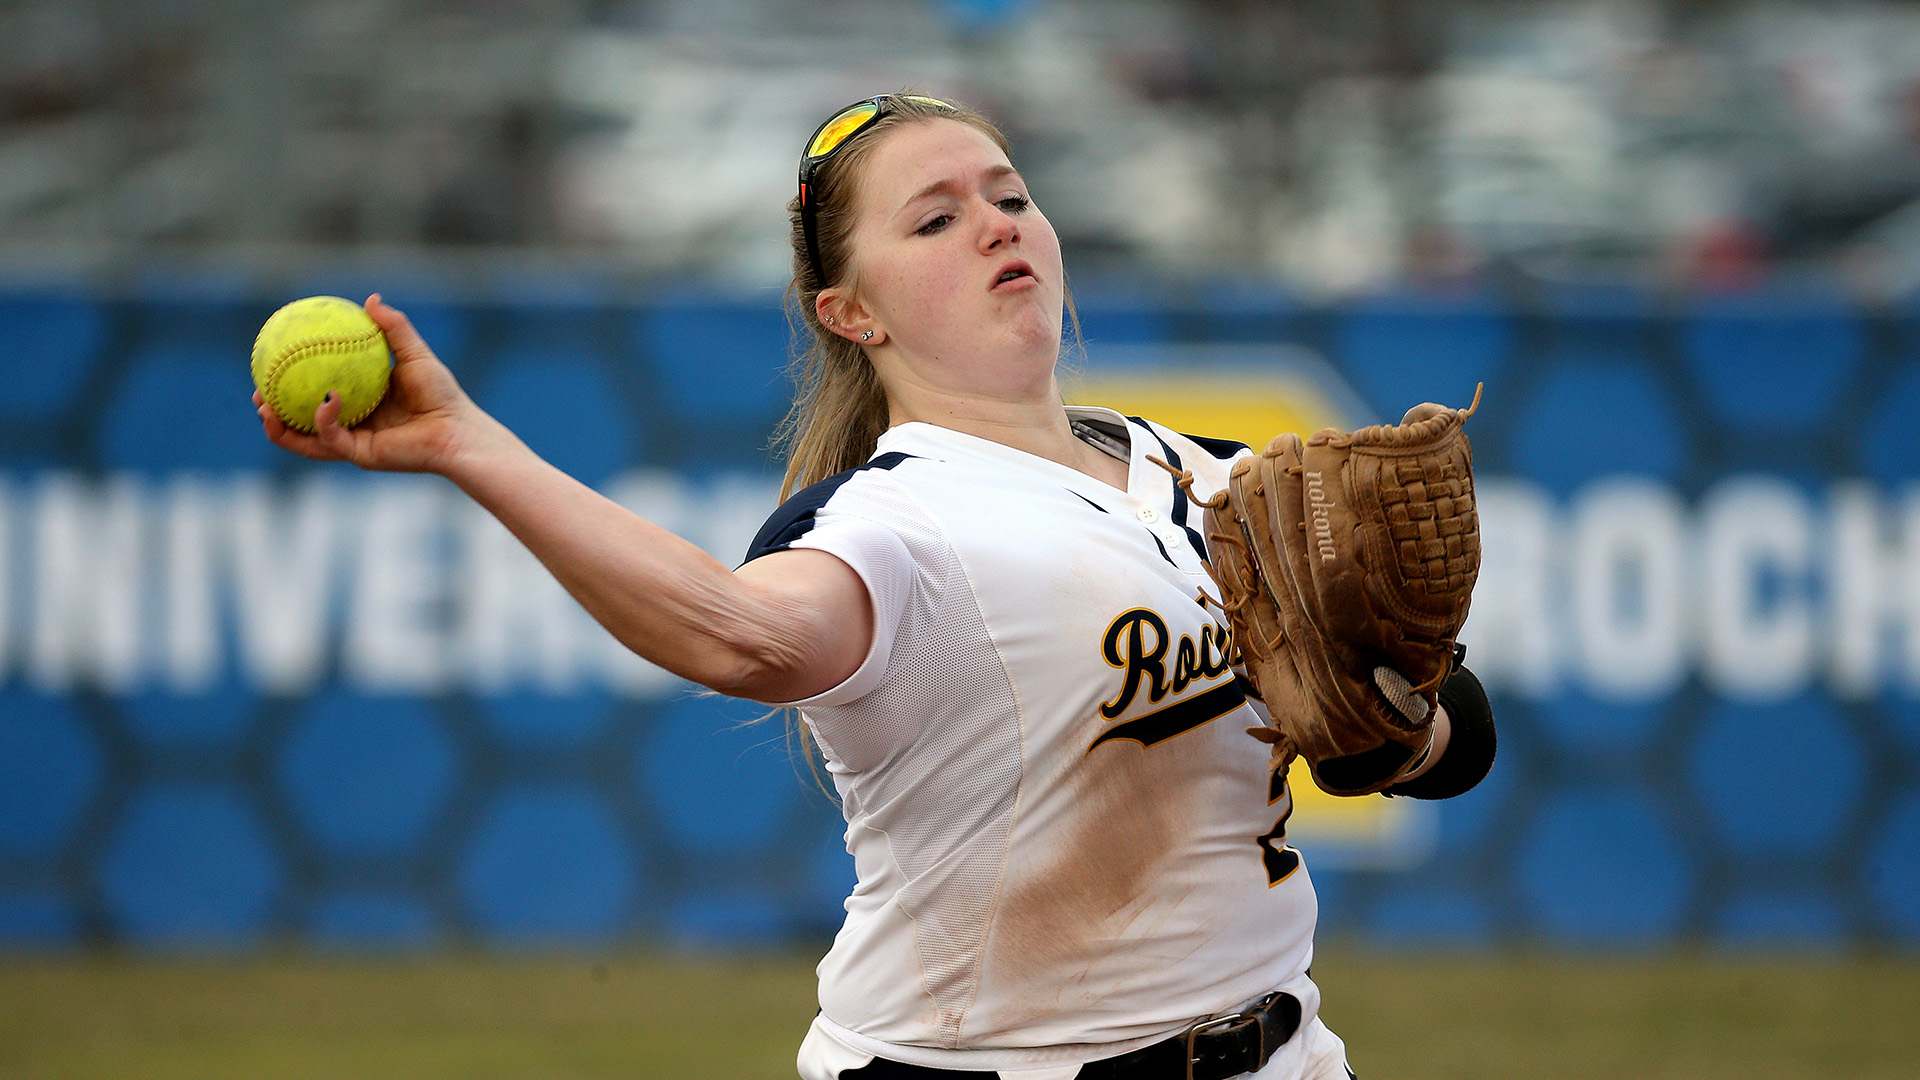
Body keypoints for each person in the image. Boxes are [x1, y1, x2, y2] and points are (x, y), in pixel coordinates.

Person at [255, 92, 1494, 1080]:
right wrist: (471, 446)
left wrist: (1400, 725)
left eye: (1009, 196)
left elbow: (1459, 738)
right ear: (851, 312)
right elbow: (738, 637)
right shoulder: (891, 521)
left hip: (1286, 1050)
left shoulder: (1216, 480)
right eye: (935, 219)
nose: (997, 224)